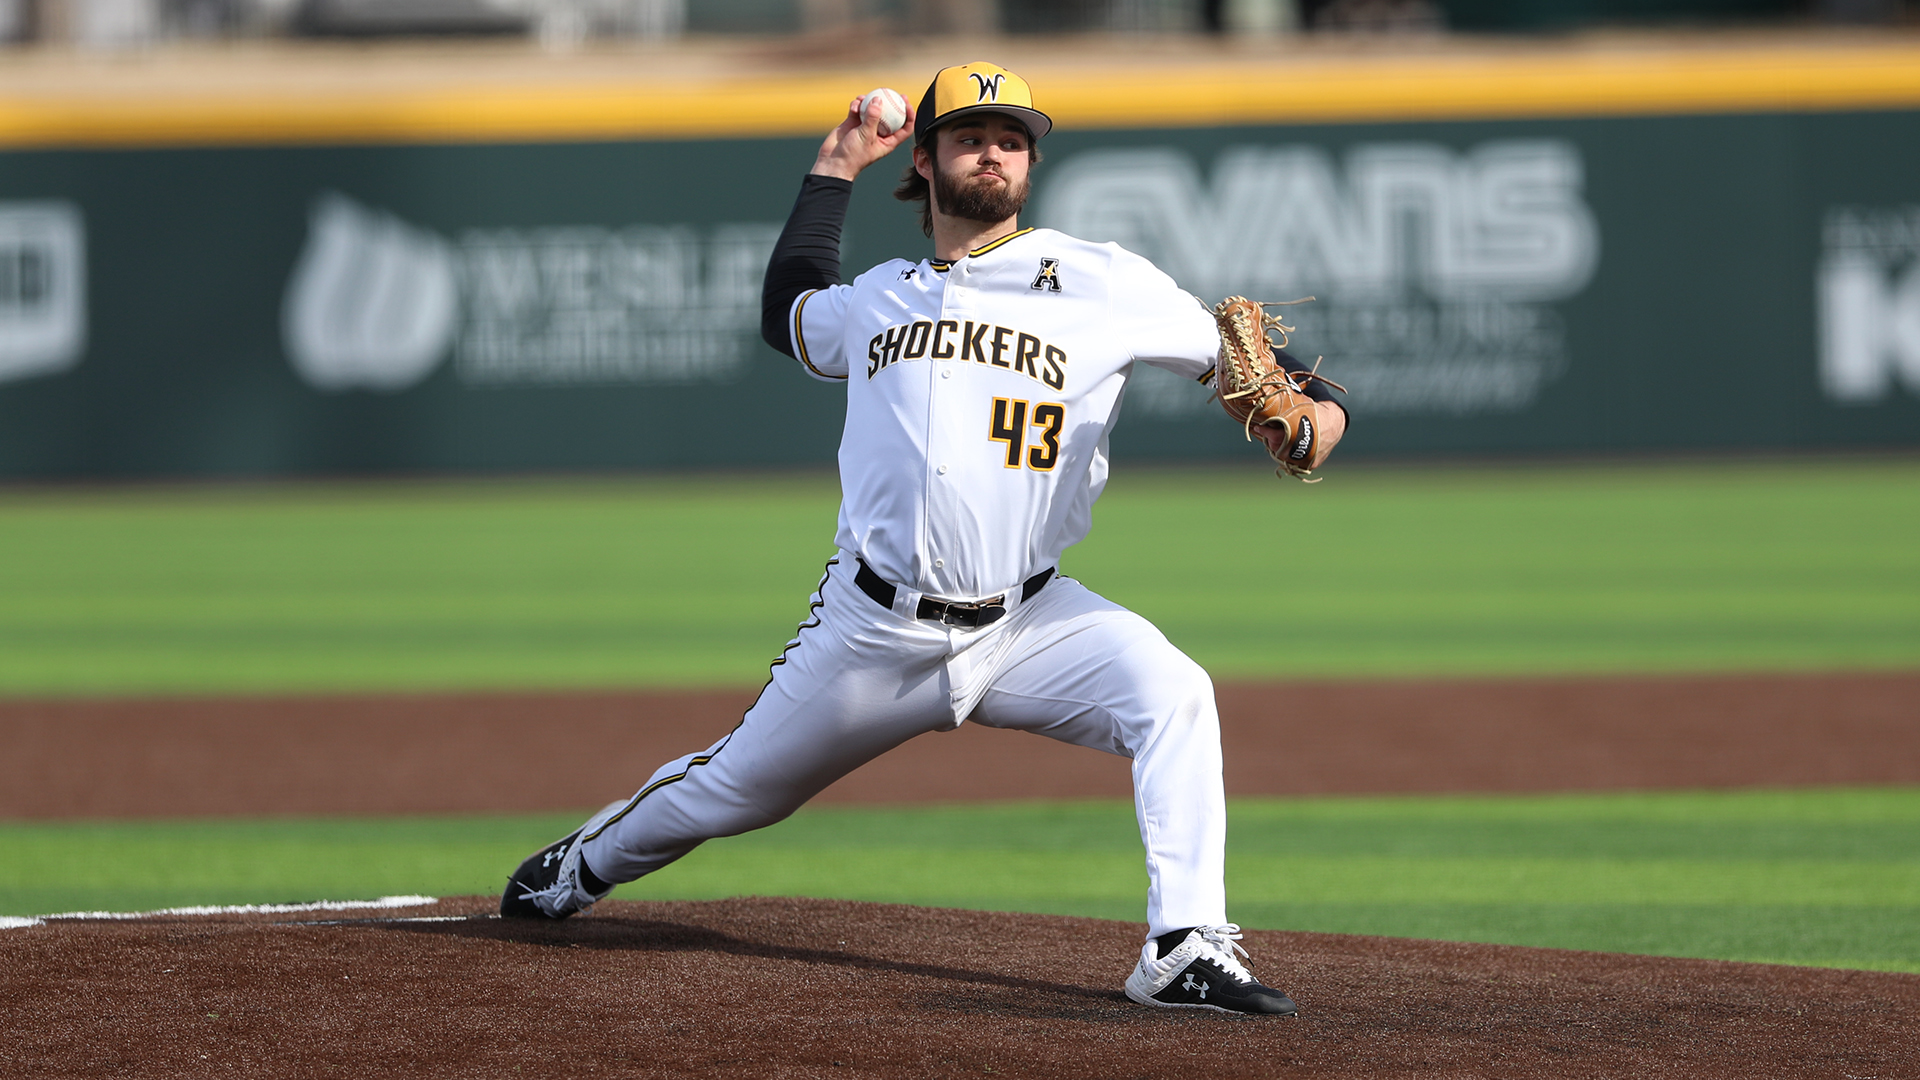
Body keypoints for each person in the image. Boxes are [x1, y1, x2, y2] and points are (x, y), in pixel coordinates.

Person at [501, 61, 1348, 1017]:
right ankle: (583, 864)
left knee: (1175, 694)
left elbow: (1294, 388)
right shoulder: (876, 296)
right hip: (872, 632)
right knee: (729, 793)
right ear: (929, 159)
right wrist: (832, 167)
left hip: (1030, 621)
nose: (995, 152)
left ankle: (1183, 946)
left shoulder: (1105, 281)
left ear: (1031, 162)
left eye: (1014, 138)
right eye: (972, 135)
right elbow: (788, 312)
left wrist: (1315, 418)